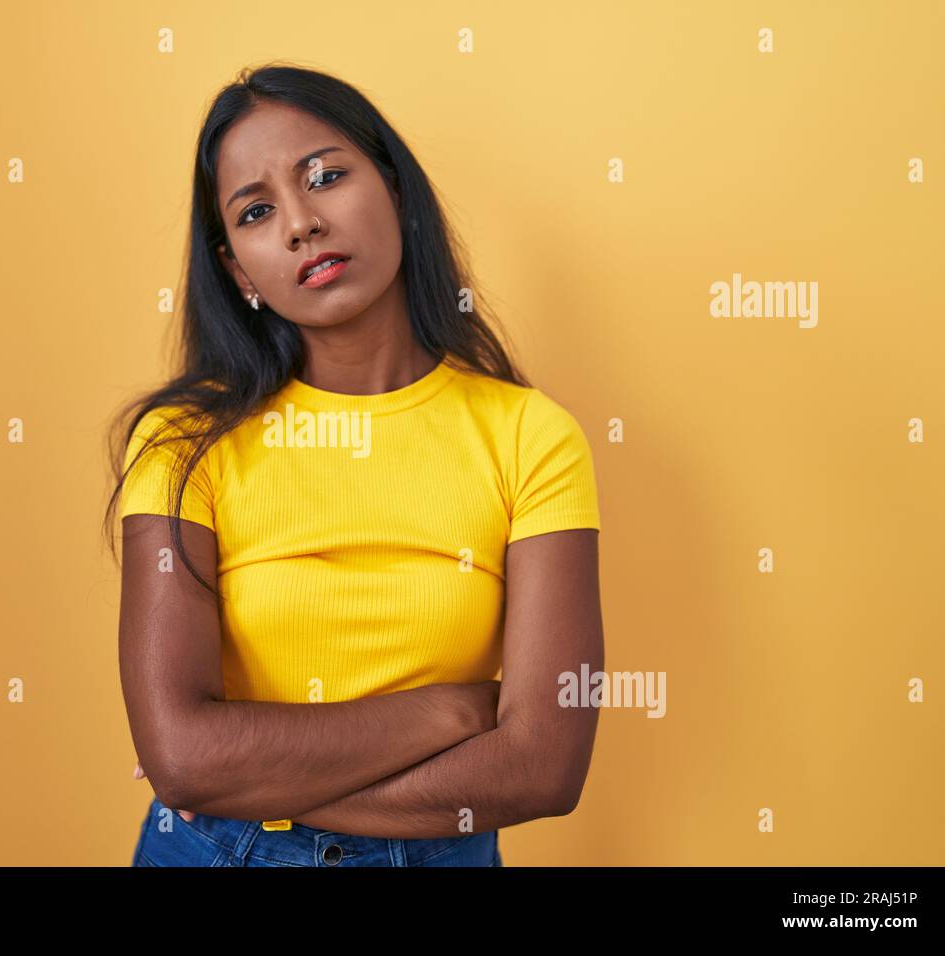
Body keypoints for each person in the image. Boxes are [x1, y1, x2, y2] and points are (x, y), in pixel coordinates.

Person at [105, 64, 604, 867]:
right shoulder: (181, 443)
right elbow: (181, 755)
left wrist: (244, 777)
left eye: (327, 176)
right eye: (257, 211)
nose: (301, 223)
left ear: (398, 194)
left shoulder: (531, 437)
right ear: (238, 269)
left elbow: (545, 767)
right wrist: (455, 713)